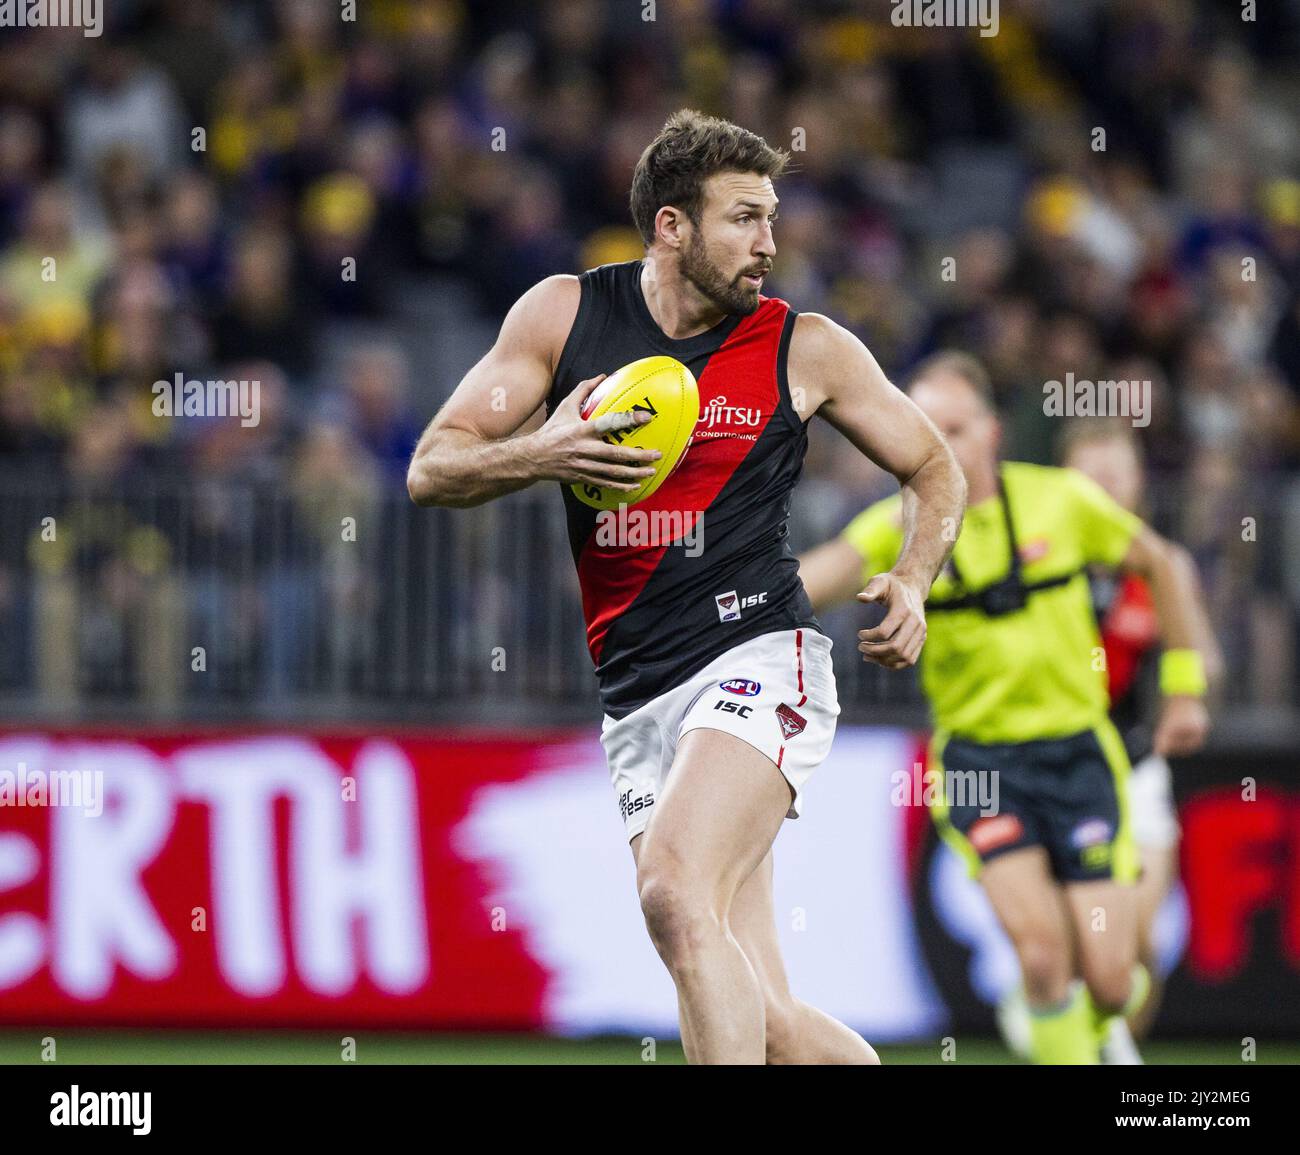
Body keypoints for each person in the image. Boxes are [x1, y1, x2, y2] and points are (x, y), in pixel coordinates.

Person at [407, 109, 966, 1064]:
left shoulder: (806, 345)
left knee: (671, 889)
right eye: (744, 218)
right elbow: (432, 467)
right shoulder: (564, 315)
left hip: (761, 654)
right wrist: (546, 450)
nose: (768, 244)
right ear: (672, 226)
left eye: (773, 219)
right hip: (636, 696)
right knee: (771, 1019)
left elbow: (935, 467)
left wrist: (914, 577)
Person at [798, 352, 1212, 1064]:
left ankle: (1057, 1012)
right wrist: (730, 608)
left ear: (991, 431)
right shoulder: (897, 523)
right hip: (978, 763)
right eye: (922, 427)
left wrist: (1183, 687)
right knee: (1045, 953)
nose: (938, 444)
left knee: (1114, 981)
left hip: (1081, 754)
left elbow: (1165, 564)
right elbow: (823, 572)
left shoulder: (1061, 501)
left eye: (954, 427)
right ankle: (1055, 1018)